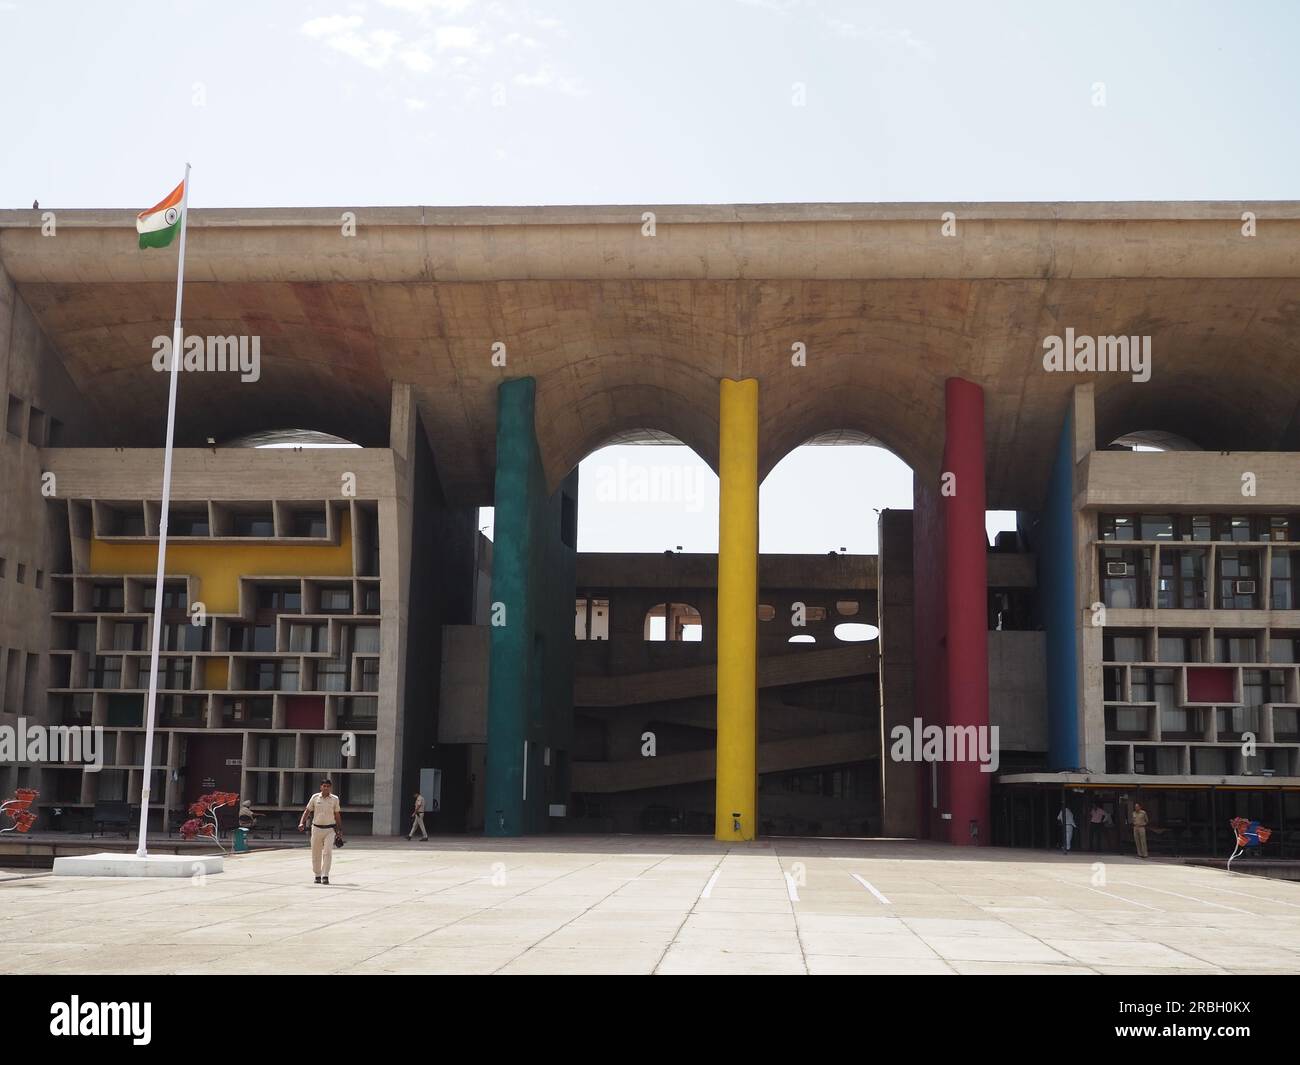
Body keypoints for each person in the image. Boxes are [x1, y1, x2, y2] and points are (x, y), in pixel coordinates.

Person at [298, 778, 343, 884]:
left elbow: (337, 814)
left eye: (328, 786)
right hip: (316, 828)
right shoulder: (315, 797)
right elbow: (307, 811)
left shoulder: (335, 799)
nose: (326, 788)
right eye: (324, 786)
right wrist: (301, 822)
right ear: (321, 787)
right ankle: (317, 874)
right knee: (315, 852)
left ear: (330, 788)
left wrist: (340, 829)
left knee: (327, 852)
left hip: (330, 829)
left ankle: (325, 875)